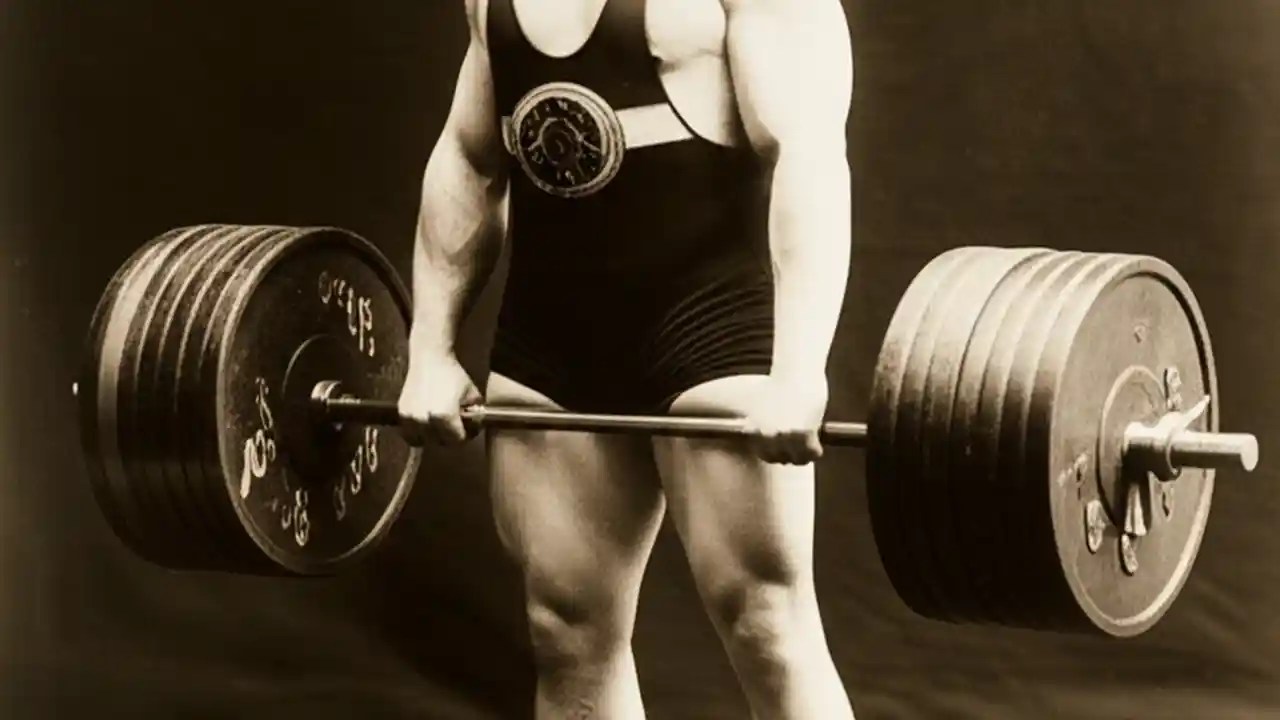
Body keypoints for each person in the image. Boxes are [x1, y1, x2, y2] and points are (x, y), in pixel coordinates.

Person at [398, 0, 856, 716]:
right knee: (565, 633)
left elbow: (809, 154)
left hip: (708, 326)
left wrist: (800, 369)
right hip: (550, 342)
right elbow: (470, 155)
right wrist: (428, 345)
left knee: (765, 626)